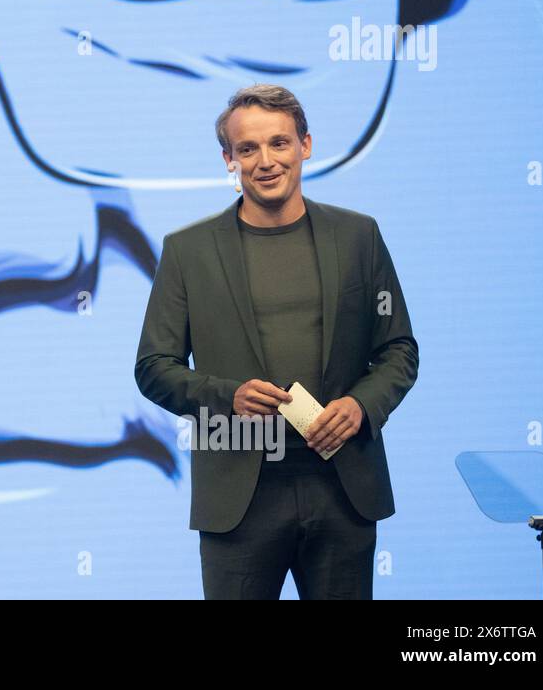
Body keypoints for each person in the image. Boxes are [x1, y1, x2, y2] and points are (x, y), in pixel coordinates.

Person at [135, 84, 419, 599]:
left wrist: (360, 405)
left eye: (279, 143)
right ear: (229, 159)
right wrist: (228, 397)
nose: (265, 161)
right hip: (238, 493)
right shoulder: (188, 251)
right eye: (248, 149)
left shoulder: (359, 237)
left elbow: (399, 349)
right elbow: (155, 367)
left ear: (305, 146)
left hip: (343, 487)